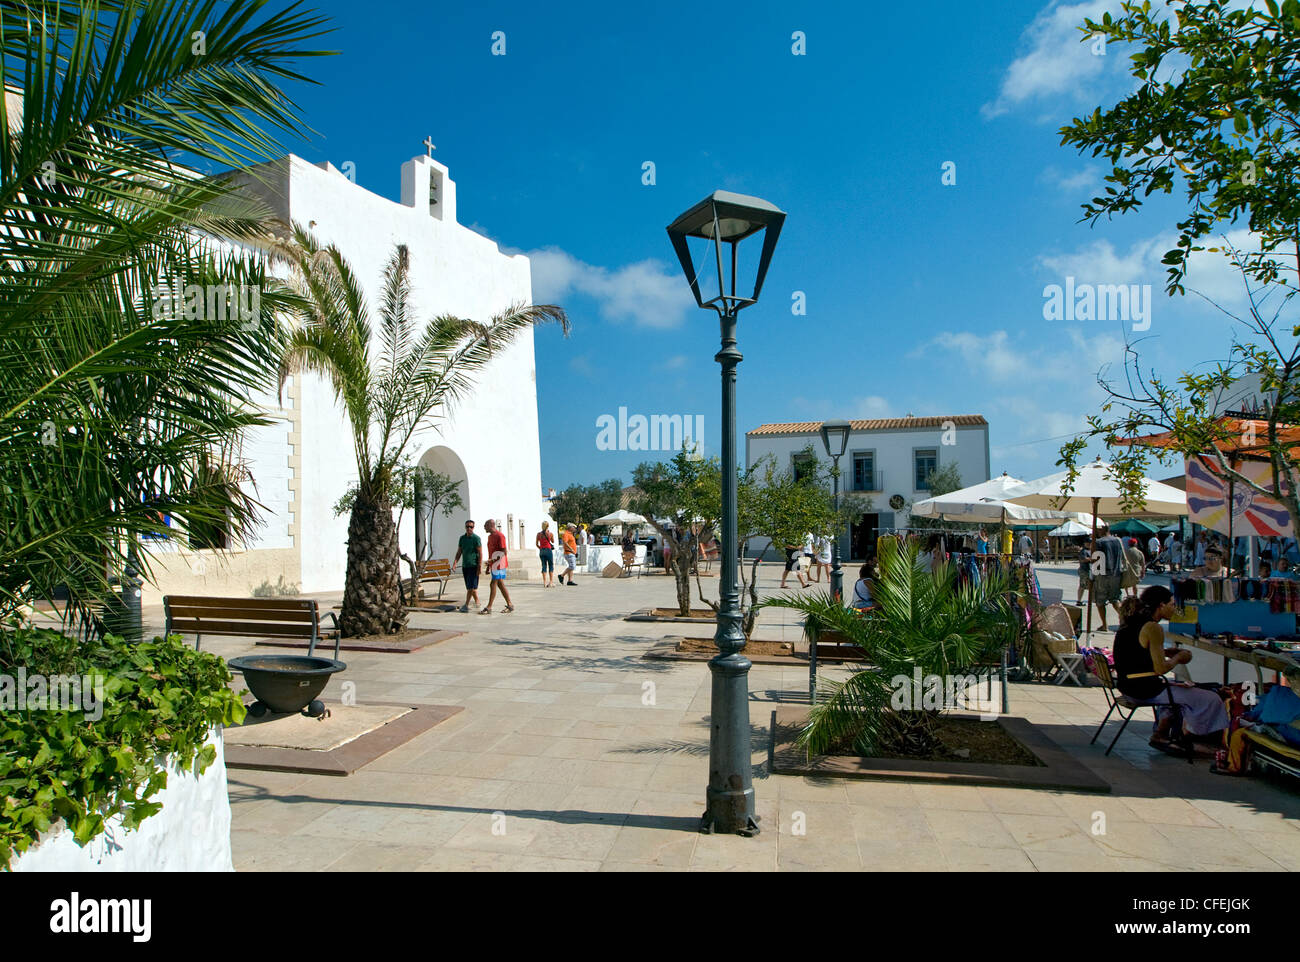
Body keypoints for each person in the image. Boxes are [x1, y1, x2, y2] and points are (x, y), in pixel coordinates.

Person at [1113, 585, 1228, 747]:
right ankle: (1197, 740)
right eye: (1172, 604)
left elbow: (1136, 652)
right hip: (1143, 689)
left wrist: (1165, 652)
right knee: (1211, 698)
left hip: (1128, 685)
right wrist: (1178, 658)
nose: (1174, 609)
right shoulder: (1153, 628)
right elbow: (1160, 669)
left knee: (1181, 691)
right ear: (1161, 605)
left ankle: (1160, 733)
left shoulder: (1131, 623)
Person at [1091, 523, 1124, 632]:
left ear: (1101, 530)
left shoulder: (1099, 542)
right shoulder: (1118, 541)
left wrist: (1092, 575)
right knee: (1115, 599)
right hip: (1116, 573)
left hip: (1102, 574)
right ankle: (1124, 621)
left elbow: (1095, 559)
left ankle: (1105, 625)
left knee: (1100, 601)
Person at [480, 518, 513, 613]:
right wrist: (488, 566)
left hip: (500, 564)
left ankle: (489, 607)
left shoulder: (500, 536)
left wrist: (493, 560)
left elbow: (504, 552)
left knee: (493, 584)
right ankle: (510, 604)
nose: (484, 528)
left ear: (491, 526)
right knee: (500, 584)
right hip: (494, 564)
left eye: (485, 526)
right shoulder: (490, 537)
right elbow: (491, 552)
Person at [452, 519, 482, 613]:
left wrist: (479, 566)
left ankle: (466, 605)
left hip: (474, 565)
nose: (469, 528)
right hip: (465, 566)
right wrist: (455, 563)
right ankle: (477, 600)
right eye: (467, 526)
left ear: (473, 527)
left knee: (470, 587)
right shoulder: (462, 538)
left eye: (471, 527)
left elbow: (480, 553)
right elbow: (459, 551)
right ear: (465, 527)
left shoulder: (476, 538)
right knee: (470, 586)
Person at [535, 522, 556, 588]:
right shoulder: (550, 534)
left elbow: (536, 544)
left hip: (542, 551)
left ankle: (544, 582)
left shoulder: (538, 534)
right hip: (548, 550)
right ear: (548, 526)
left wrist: (540, 548)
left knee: (544, 566)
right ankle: (551, 582)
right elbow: (553, 541)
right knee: (551, 565)